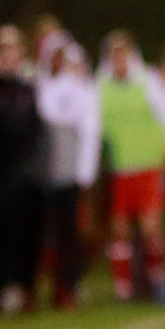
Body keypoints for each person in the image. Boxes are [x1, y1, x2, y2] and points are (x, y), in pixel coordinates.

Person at [97, 30, 165, 304]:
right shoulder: (101, 86)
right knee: (120, 230)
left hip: (148, 165)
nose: (119, 60)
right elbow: (95, 125)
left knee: (151, 226)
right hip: (120, 168)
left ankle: (158, 280)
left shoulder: (146, 82)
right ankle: (124, 289)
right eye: (114, 55)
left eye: (123, 54)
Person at [36, 39, 99, 309]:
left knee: (70, 234)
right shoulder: (42, 86)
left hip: (69, 173)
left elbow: (88, 133)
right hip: (43, 173)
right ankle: (40, 288)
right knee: (43, 233)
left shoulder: (82, 91)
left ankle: (67, 287)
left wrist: (85, 172)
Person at [0, 26, 43, 314]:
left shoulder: (26, 89)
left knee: (26, 234)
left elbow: (35, 132)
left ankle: (23, 287)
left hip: (24, 174)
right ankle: (0, 288)